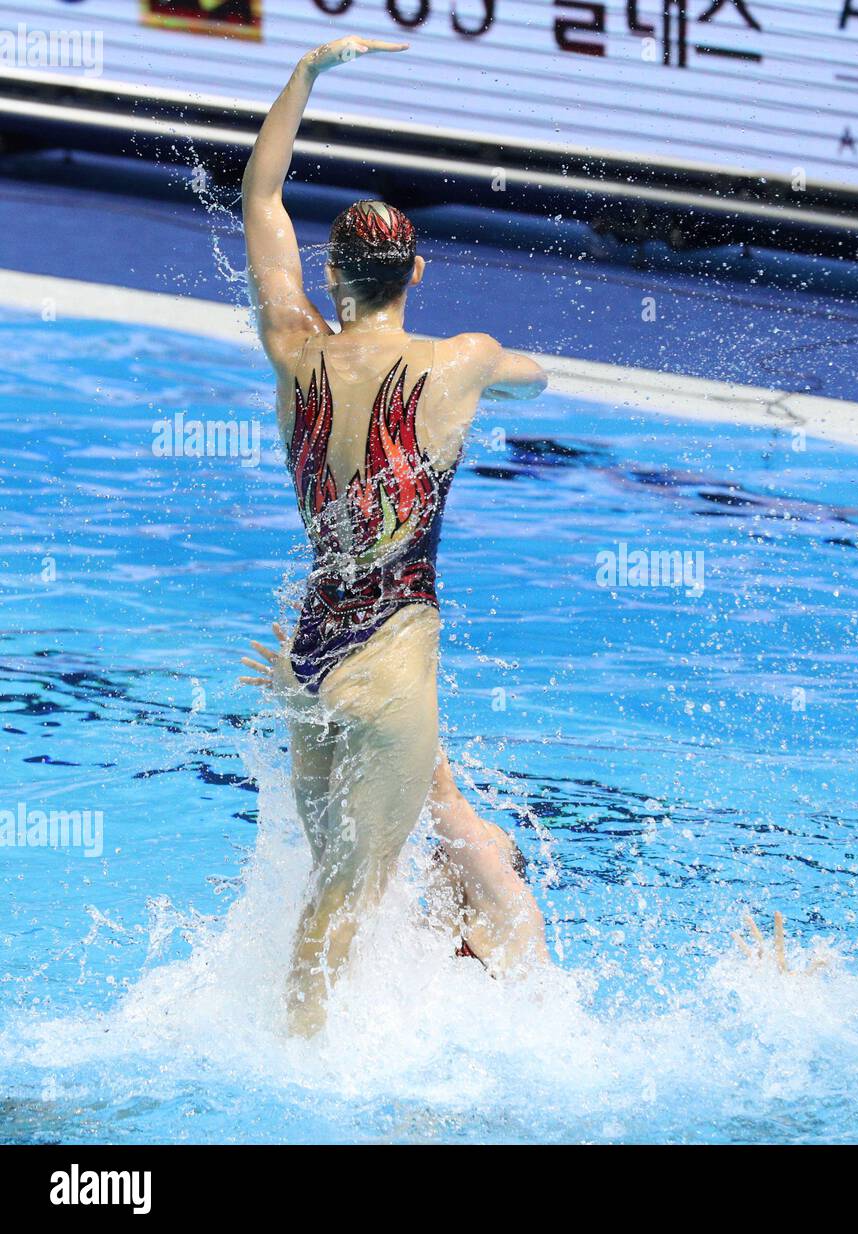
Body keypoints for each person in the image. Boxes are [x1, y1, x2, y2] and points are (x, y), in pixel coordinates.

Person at [238, 37, 549, 1036]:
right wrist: (519, 370)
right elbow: (532, 374)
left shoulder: (294, 349)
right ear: (416, 268)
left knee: (332, 882)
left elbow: (261, 202)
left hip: (314, 650)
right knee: (349, 896)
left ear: (333, 274)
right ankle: (300, 1068)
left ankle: (318, 1040)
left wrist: (306, 79)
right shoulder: (462, 360)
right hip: (390, 663)